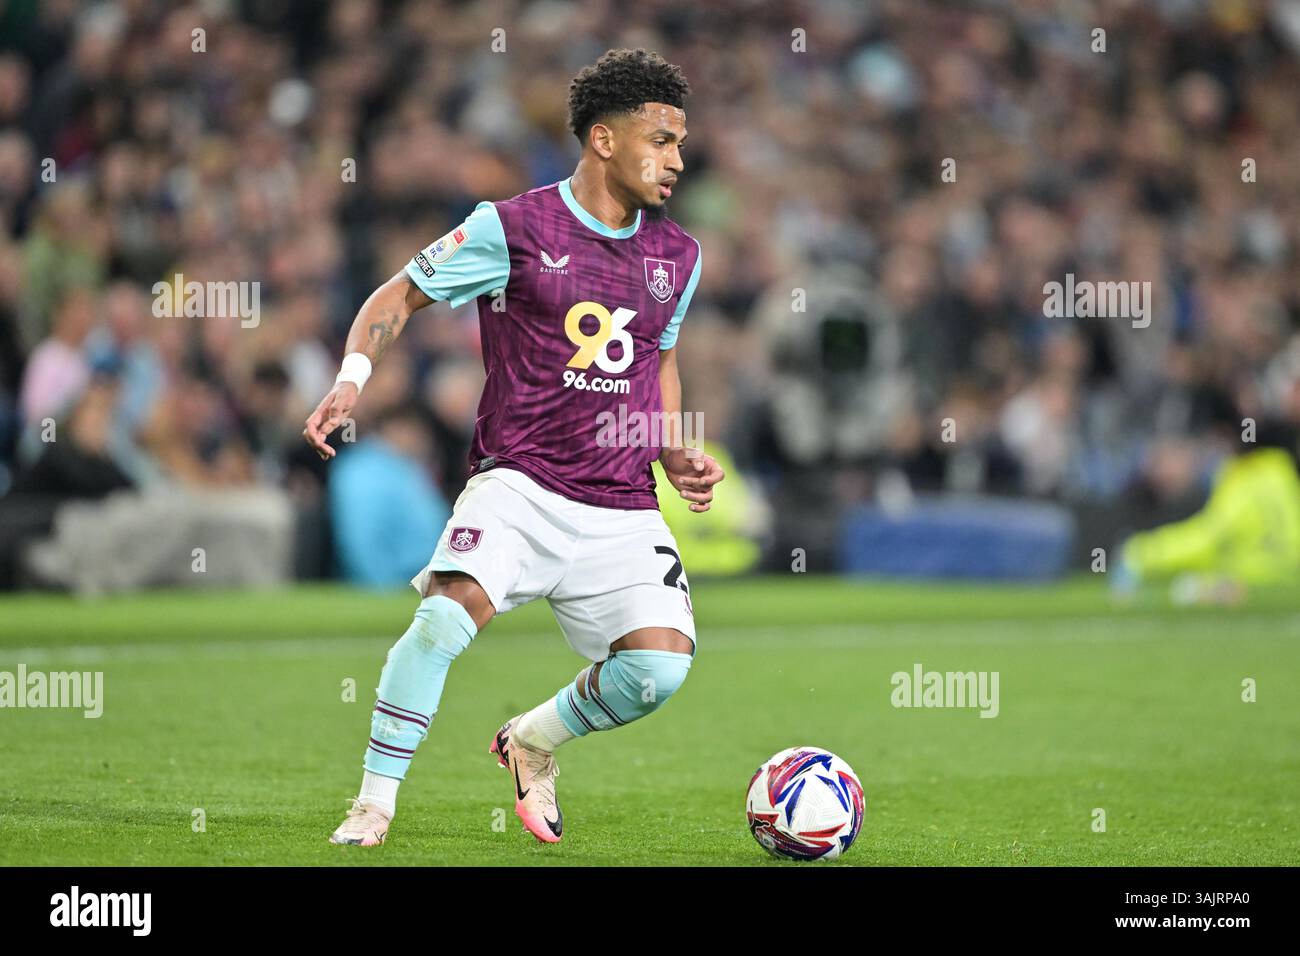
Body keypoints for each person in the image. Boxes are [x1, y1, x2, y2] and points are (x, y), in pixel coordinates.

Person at [302, 49, 724, 846]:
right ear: (603, 139)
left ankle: (532, 739)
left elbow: (657, 357)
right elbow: (399, 293)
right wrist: (352, 379)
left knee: (658, 670)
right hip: (521, 485)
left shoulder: (679, 256)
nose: (675, 160)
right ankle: (374, 803)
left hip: (622, 503)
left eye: (679, 143)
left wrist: (669, 449)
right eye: (660, 139)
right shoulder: (513, 227)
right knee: (441, 622)